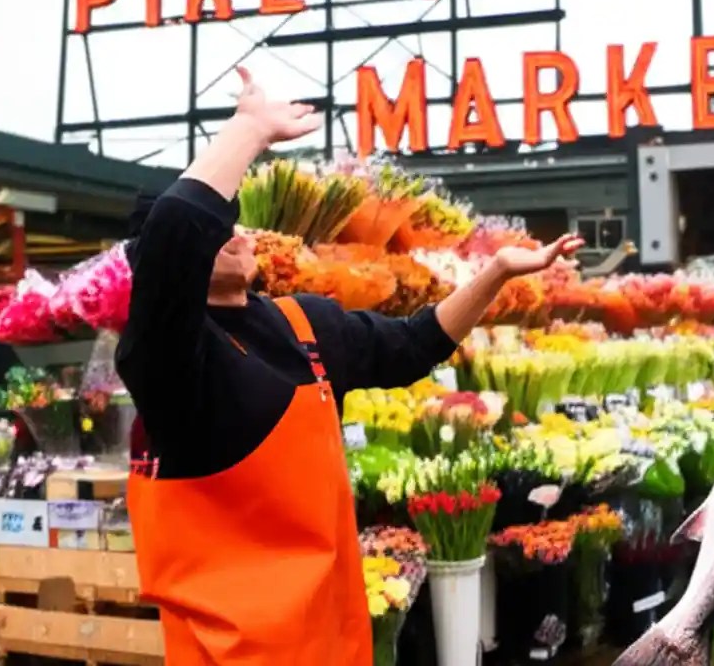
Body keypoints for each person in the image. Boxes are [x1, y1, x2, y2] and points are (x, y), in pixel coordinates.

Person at [115, 67, 584, 664]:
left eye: (236, 224)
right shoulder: (167, 358)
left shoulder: (303, 322)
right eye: (218, 229)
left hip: (336, 641)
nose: (235, 235)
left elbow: (418, 344)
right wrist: (251, 129)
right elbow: (176, 232)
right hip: (237, 652)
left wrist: (495, 274)